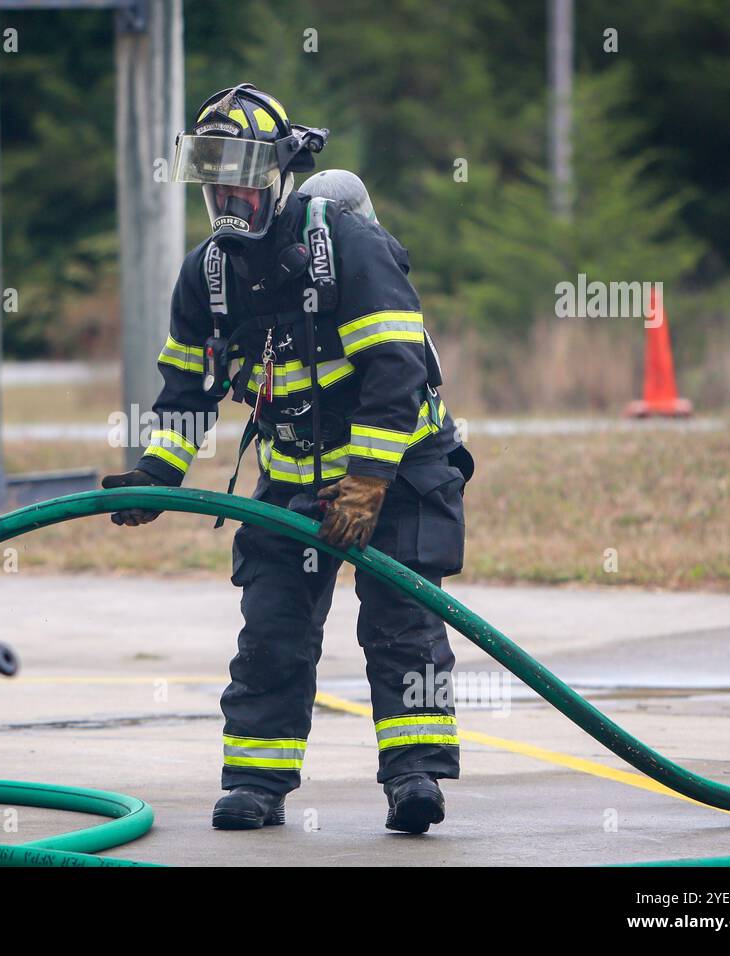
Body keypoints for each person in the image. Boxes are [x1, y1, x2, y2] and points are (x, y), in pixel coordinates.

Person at [102, 85, 474, 834]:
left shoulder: (348, 246)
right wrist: (154, 474)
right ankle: (255, 783)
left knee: (402, 628)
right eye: (211, 174)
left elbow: (398, 371)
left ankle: (414, 779)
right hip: (294, 477)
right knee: (272, 628)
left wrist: (369, 481)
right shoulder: (207, 274)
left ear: (277, 172)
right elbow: (187, 392)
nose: (225, 191)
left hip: (398, 471)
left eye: (238, 171)